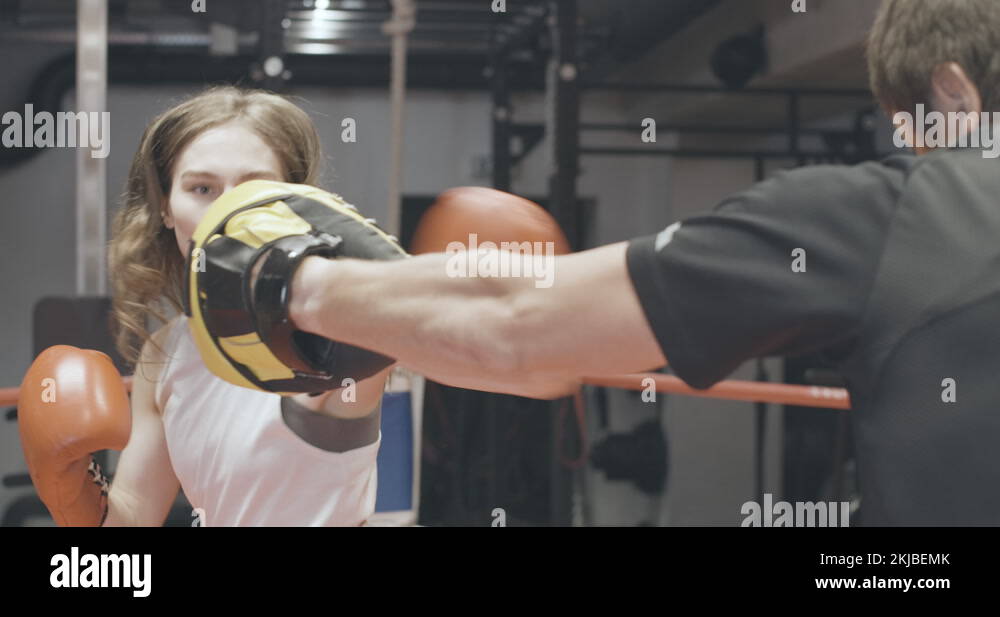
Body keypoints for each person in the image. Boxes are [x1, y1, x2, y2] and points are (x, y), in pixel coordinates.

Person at [253, 0, 1000, 525]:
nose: (914, 160)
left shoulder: (893, 213)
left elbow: (519, 324)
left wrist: (293, 281)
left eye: (915, 137)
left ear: (951, 95)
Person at [22, 87, 394, 526]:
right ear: (166, 208)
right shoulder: (165, 352)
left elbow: (400, 320)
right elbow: (134, 516)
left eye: (255, 189)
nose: (229, 212)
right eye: (203, 188)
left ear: (292, 204)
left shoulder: (331, 331)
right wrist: (70, 488)